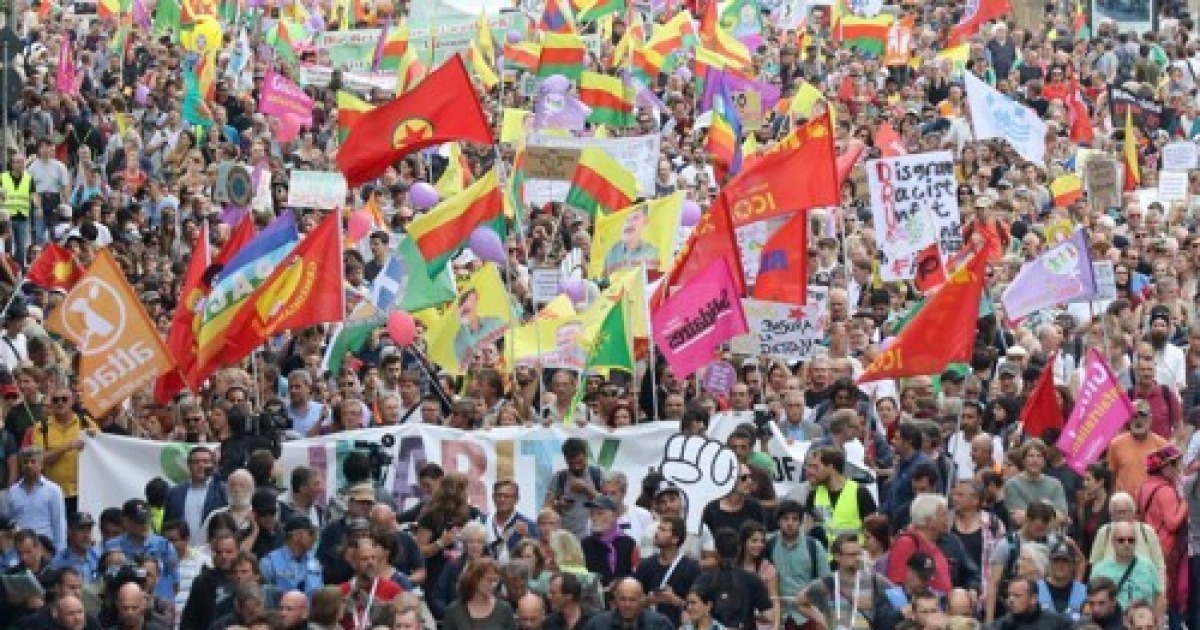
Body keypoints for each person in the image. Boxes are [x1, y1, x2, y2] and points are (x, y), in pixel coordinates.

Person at [796, 533, 903, 630]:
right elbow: (801, 602)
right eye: (852, 555)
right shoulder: (827, 583)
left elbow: (903, 603)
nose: (857, 558)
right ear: (837, 557)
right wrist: (822, 621)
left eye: (859, 554)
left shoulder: (874, 580)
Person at [633, 516, 700, 627]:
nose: (657, 533)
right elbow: (632, 600)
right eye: (658, 529)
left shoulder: (692, 568)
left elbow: (700, 607)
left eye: (663, 530)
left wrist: (675, 600)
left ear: (675, 539)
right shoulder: (646, 565)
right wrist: (649, 600)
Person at [1090, 521, 1164, 619]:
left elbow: (1159, 596)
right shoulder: (1099, 569)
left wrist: (1158, 623)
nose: (1126, 544)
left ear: (1136, 541)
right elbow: (1092, 600)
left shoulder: (1148, 565)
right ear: (1113, 542)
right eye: (1121, 540)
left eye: (1131, 540)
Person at [163, 446, 227, 546]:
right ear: (189, 465)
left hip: (212, 550)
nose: (201, 465)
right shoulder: (174, 493)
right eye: (196, 462)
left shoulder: (222, 491)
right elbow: (167, 526)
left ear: (213, 465)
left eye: (205, 462)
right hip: (181, 551)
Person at [6, 445, 66, 552]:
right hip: (20, 549)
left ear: (41, 465)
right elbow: (10, 523)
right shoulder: (13, 491)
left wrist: (59, 552)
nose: (29, 465)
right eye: (25, 462)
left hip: (45, 548)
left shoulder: (53, 490)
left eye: (33, 461)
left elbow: (59, 524)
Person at [546, 438, 605, 540]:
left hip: (594, 538)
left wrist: (586, 489)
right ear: (565, 459)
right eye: (571, 463)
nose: (576, 467)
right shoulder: (560, 477)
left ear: (586, 456)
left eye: (580, 462)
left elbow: (609, 505)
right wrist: (558, 505)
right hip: (566, 539)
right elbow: (546, 509)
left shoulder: (597, 474)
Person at [338, 538, 403, 629]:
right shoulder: (341, 591)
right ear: (354, 563)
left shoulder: (393, 589)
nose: (370, 562)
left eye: (373, 558)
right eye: (365, 559)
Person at [579, 495, 639, 587]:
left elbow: (636, 574)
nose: (594, 518)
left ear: (614, 515)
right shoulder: (585, 544)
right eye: (592, 514)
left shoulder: (629, 543)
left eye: (600, 513)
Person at [442, 557, 515, 630]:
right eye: (489, 580)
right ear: (474, 580)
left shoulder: (504, 609)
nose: (493, 584)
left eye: (495, 580)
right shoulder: (454, 610)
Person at [260, 516, 323, 597]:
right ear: (296, 536)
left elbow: (320, 592)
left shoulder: (314, 562)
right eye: (310, 533)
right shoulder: (270, 562)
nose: (314, 537)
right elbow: (263, 596)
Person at [582, 578, 672, 630]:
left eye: (632, 600)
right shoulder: (597, 624)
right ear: (615, 600)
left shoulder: (660, 624)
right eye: (622, 599)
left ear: (642, 600)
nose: (627, 605)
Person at [993, 578, 1074, 630]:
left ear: (1033, 599)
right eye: (1009, 595)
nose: (1010, 600)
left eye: (1017, 596)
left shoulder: (1058, 623)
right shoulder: (1003, 625)